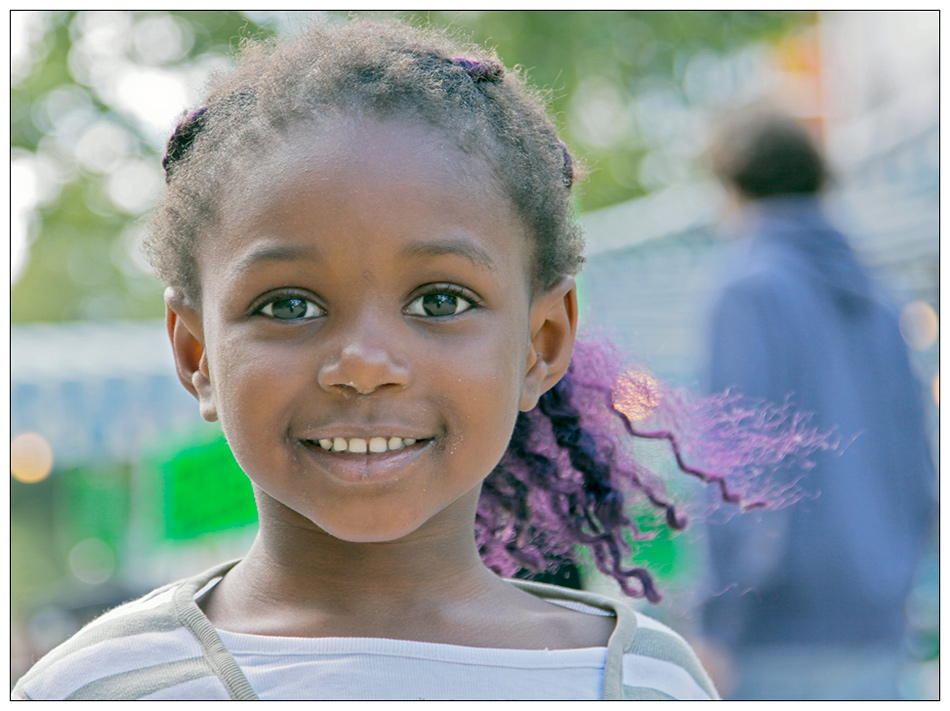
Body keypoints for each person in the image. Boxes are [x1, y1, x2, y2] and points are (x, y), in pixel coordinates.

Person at [12, 21, 818, 701]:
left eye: (440, 300)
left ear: (542, 344)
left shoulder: (637, 683)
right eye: (288, 304)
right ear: (195, 353)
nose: (365, 364)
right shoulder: (103, 687)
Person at [697, 109, 937, 700]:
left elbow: (741, 473)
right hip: (883, 626)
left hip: (779, 638)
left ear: (733, 186)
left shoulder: (747, 290)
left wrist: (717, 624)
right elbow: (919, 468)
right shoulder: (880, 298)